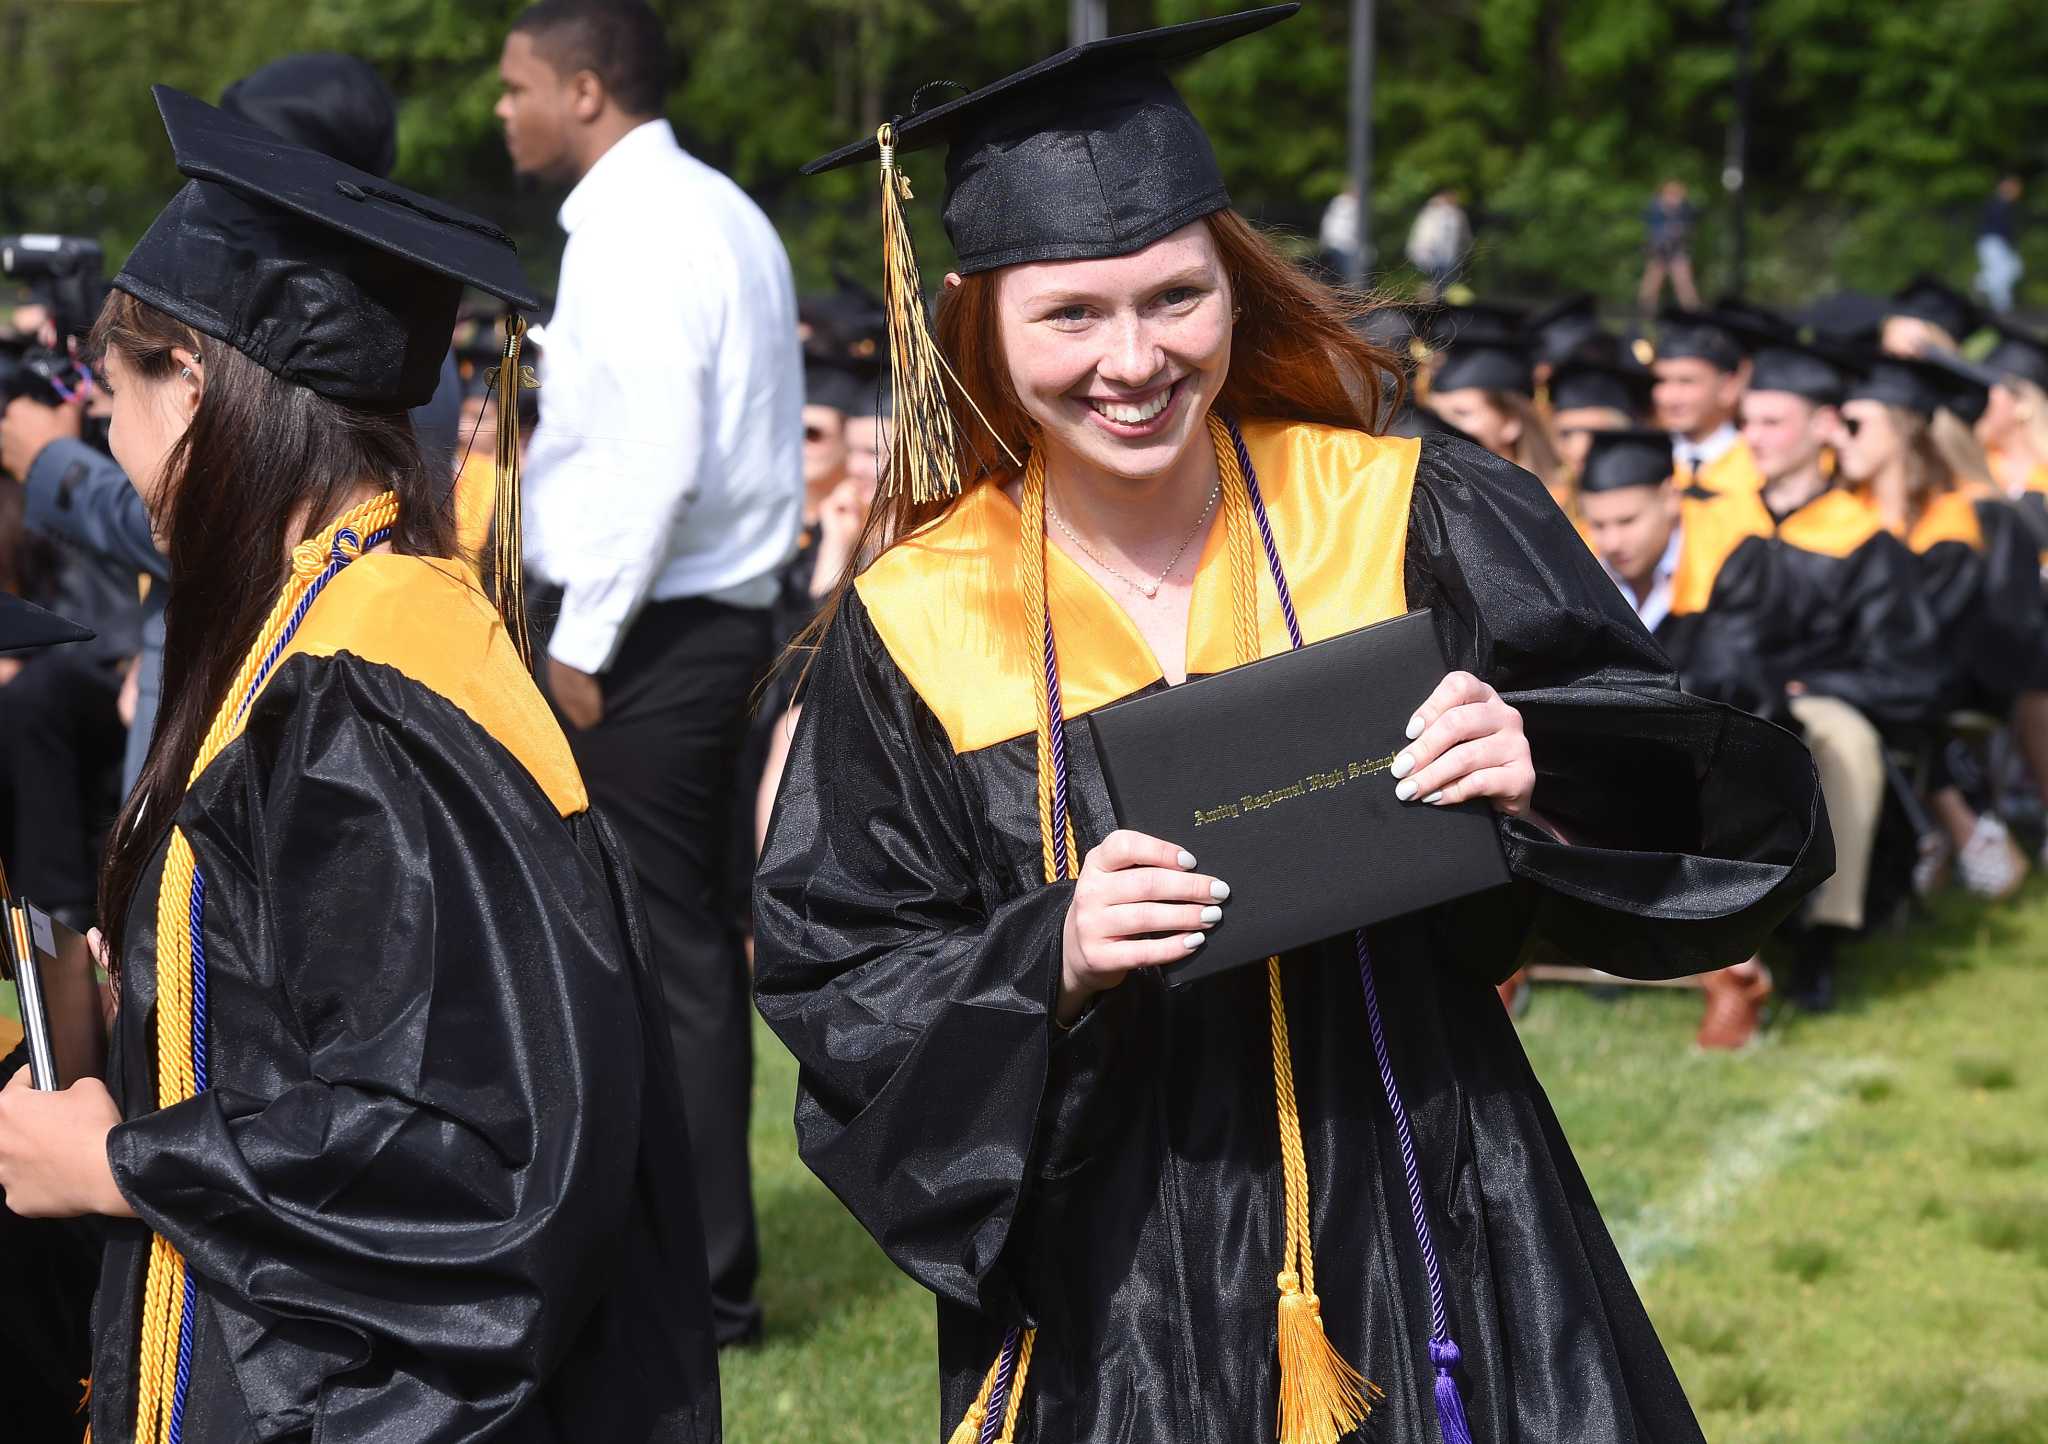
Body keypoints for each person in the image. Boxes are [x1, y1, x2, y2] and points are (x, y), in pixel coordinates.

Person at [756, 10, 1829, 1442]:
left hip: (1425, 1186)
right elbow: (842, 969)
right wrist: (1047, 956)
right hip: (1116, 1275)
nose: (1132, 358)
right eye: (1070, 314)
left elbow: (1702, 788)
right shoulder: (917, 620)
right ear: (978, 320)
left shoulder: (1393, 511)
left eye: (1174, 297)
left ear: (1234, 283)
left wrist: (1540, 763)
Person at [0, 87, 721, 1441]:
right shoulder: (338, 618)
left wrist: (120, 1164)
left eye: (117, 396)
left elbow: (466, 1149)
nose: (111, 443)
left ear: (194, 385)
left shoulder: (364, 687)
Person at [497, 0, 802, 1346]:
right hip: (689, 620)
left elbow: (657, 457)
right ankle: (681, 1257)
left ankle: (703, 1281)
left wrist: (578, 645)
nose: (500, 112)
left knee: (662, 952)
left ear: (584, 90)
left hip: (646, 636)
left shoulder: (641, 226)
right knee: (662, 945)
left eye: (515, 87)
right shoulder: (712, 207)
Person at [1728, 338, 1945, 1003]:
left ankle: (1822, 936)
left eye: (1773, 421)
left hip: (1815, 696)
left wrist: (1806, 687)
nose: (1753, 437)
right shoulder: (1717, 514)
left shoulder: (1864, 541)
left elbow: (1908, 671)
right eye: (1747, 421)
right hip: (1713, 684)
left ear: (1825, 425)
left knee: (1844, 743)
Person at [1576, 429, 1778, 1047]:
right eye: (1599, 523)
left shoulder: (1734, 552)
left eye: (1627, 521)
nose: (1613, 540)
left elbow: (1735, 679)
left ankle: (1735, 969)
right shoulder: (1578, 561)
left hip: (1726, 731)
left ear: (1670, 497)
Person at [1836, 353, 2032, 899]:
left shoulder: (1951, 521)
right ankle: (1949, 825)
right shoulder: (1840, 511)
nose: (1839, 438)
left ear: (1902, 432)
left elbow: (1926, 637)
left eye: (1856, 425)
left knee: (1899, 689)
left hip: (1935, 672)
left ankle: (1945, 826)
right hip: (1858, 672)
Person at [1651, 309, 1763, 494]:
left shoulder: (1759, 463)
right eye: (1661, 381)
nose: (1669, 397)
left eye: (1686, 381)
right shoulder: (1644, 463)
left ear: (1728, 387)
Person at [1638, 179, 1701, 315]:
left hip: (1677, 251)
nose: (1675, 199)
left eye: (1678, 196)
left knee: (1684, 284)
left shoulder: (1685, 210)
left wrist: (1681, 229)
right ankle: (1645, 314)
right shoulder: (1655, 210)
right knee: (1651, 285)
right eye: (1672, 195)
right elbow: (1651, 232)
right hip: (1659, 252)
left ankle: (1693, 314)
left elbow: (1690, 227)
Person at [1403, 188, 1470, 297]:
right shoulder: (1433, 213)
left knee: (1442, 285)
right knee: (1437, 285)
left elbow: (1463, 238)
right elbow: (1425, 236)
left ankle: (1436, 300)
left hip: (1444, 259)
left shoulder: (1455, 214)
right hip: (1431, 257)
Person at [1976, 175, 2025, 316]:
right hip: (1992, 242)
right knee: (2001, 272)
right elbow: (1997, 228)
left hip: (1999, 243)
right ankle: (2001, 306)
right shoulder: (1997, 204)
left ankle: (1982, 285)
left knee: (2013, 270)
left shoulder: (2006, 205)